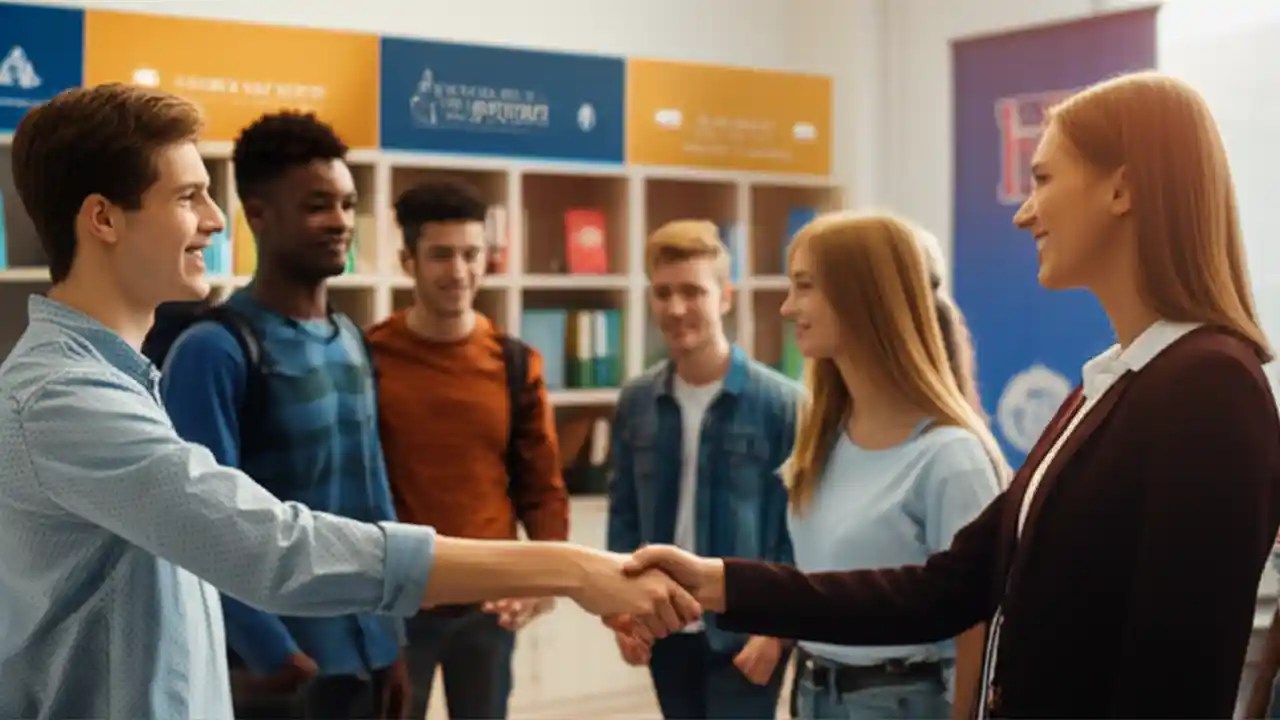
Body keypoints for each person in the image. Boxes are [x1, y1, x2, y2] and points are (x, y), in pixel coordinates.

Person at [0, 83, 699, 720]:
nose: (216, 221)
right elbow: (275, 549)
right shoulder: (66, 399)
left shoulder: (120, 379)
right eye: (189, 197)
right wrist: (571, 567)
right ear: (102, 220)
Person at [618, 71, 1280, 718]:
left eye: (1044, 179)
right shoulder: (1110, 384)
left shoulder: (1208, 387)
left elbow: (1175, 681)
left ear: (1123, 189)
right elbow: (943, 588)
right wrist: (722, 583)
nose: (1025, 212)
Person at [155, 111, 407, 719]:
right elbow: (200, 526)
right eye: (319, 205)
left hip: (365, 656)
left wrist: (394, 640)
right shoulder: (214, 350)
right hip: (278, 675)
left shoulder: (349, 337)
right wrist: (272, 653)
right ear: (258, 215)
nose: (342, 222)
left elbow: (375, 502)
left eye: (349, 204)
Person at [776, 214, 1007, 720]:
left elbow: (979, 625)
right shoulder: (823, 439)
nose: (787, 307)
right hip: (813, 688)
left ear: (860, 295)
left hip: (903, 700)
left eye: (804, 287)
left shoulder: (952, 457)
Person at [367, 178, 569, 720]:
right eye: (441, 255)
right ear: (408, 259)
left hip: (488, 602)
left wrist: (542, 579)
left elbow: (541, 485)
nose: (458, 272)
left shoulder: (512, 361)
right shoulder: (369, 357)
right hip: (398, 599)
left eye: (471, 254)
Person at [607, 220, 804, 719]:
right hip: (664, 626)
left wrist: (777, 634)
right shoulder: (636, 401)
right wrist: (619, 609)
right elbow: (624, 514)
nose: (676, 308)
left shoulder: (781, 404)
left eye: (693, 291)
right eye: (664, 292)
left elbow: (798, 530)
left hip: (743, 631)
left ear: (725, 297)